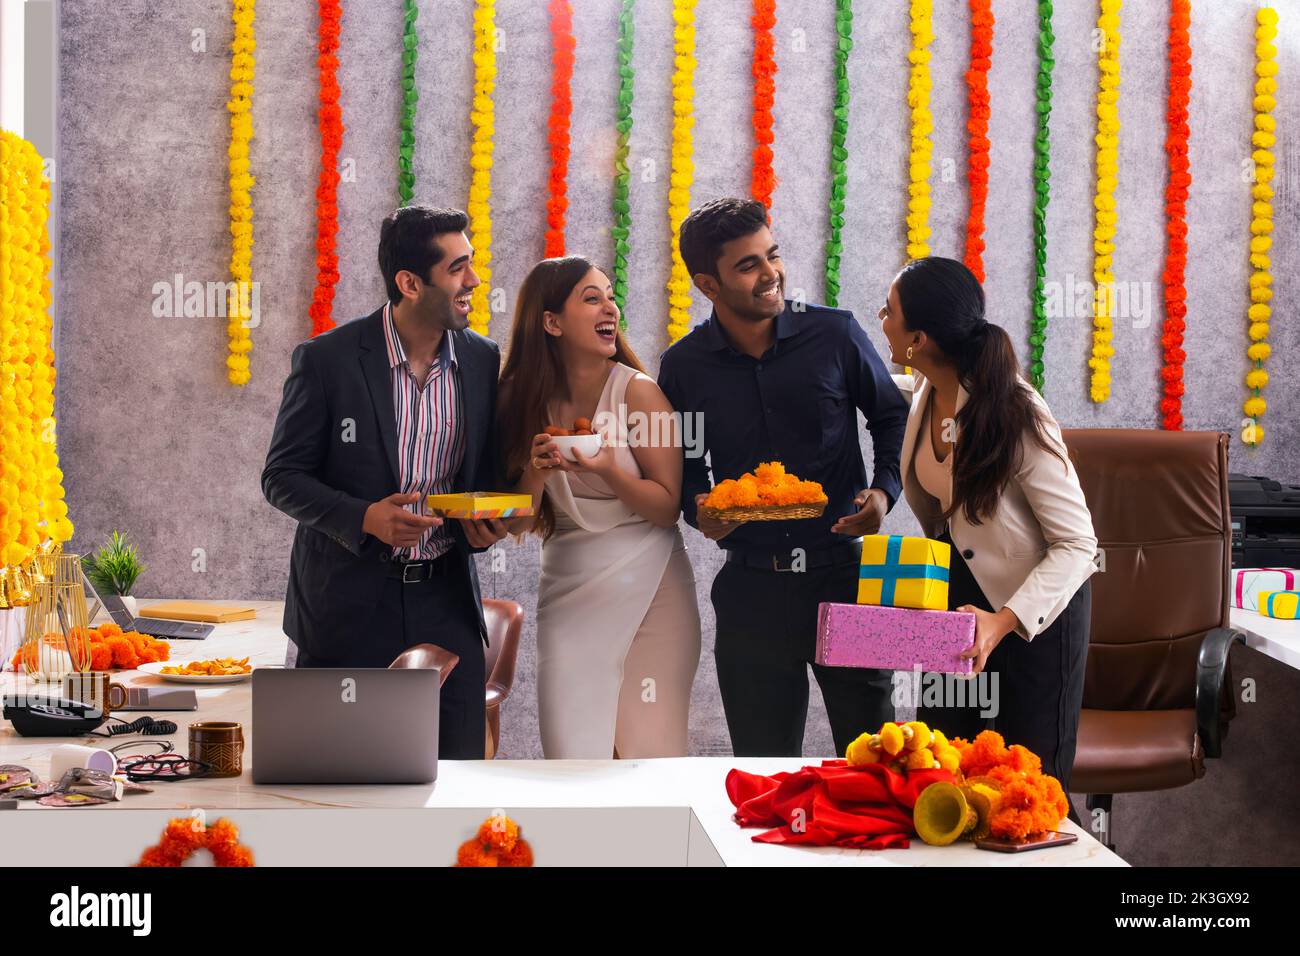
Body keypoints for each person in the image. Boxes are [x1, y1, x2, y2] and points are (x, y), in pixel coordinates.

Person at [657, 197, 909, 758]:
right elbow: (686, 467)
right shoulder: (684, 366)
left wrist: (884, 492)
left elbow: (892, 414)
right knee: (764, 764)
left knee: (879, 761)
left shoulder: (836, 335)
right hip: (751, 590)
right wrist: (701, 510)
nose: (770, 273)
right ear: (707, 283)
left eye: (772, 255)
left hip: (849, 580)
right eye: (748, 265)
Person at [261, 205, 508, 760]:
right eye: (459, 268)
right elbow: (281, 477)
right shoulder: (328, 360)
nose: (474, 280)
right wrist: (365, 517)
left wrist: (487, 523)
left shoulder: (482, 360)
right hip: (345, 607)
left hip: (447, 600)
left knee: (457, 782)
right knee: (343, 783)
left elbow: (485, 474)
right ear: (410, 283)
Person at [878, 255, 1097, 820]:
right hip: (957, 611)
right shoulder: (927, 389)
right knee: (946, 776)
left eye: (890, 312)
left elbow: (1078, 545)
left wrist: (1002, 621)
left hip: (1033, 619)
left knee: (1029, 792)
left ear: (919, 338)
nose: (881, 318)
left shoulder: (1016, 411)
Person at [497, 256, 701, 759]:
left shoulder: (639, 393)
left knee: (647, 755)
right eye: (592, 298)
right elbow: (519, 520)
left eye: (610, 296)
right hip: (568, 584)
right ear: (551, 322)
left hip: (653, 585)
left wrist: (608, 467)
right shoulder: (520, 399)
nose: (609, 306)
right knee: (572, 753)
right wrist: (538, 471)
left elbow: (665, 507)